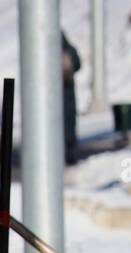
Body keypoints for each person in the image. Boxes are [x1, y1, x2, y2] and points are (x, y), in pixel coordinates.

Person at [62, 31, 81, 165]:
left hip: (57, 94)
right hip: (68, 93)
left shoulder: (45, 49)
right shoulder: (70, 49)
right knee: (70, 123)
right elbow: (78, 65)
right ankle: (71, 153)